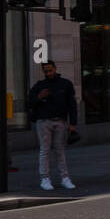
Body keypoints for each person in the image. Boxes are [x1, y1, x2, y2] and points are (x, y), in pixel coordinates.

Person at [28, 61, 77, 191]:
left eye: (50, 70)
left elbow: (72, 104)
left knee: (59, 150)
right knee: (45, 150)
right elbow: (29, 102)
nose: (48, 73)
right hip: (44, 121)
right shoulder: (40, 85)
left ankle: (65, 178)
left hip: (60, 120)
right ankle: (45, 178)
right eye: (46, 71)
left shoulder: (65, 84)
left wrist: (73, 123)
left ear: (55, 69)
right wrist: (39, 96)